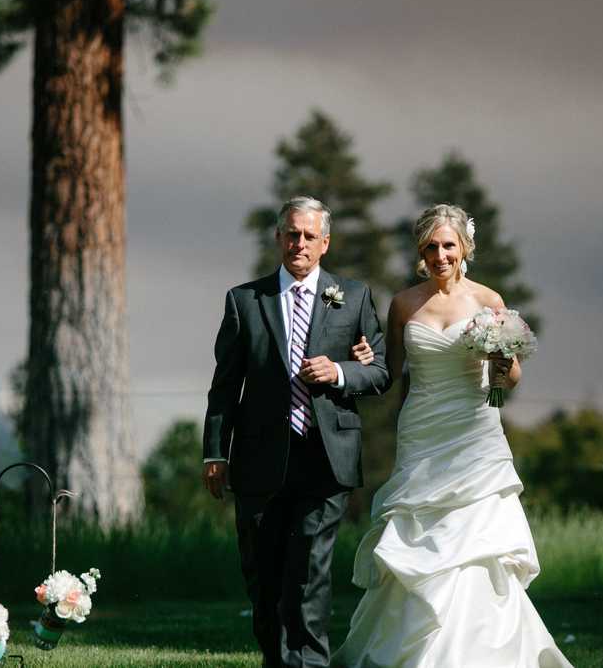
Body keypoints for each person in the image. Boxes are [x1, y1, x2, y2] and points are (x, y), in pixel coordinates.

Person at [332, 204, 572, 668]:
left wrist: (505, 365)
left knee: (476, 542)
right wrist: (362, 357)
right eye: (431, 246)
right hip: (421, 429)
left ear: (464, 248)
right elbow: (390, 373)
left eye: (448, 245)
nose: (440, 254)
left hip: (475, 431)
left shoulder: (489, 301)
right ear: (420, 252)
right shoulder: (404, 304)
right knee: (421, 536)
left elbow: (512, 376)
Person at [202, 196, 391, 668]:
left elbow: (381, 372)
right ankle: (277, 660)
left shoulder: (354, 296)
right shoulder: (245, 301)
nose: (299, 243)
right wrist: (214, 453)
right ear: (278, 238)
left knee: (309, 573)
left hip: (326, 458)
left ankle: (309, 662)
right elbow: (224, 386)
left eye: (309, 236)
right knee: (264, 579)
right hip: (258, 460)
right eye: (292, 234)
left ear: (325, 243)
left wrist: (341, 372)